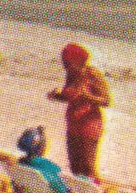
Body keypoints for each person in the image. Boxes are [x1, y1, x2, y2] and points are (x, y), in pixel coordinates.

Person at [47, 43, 110, 179]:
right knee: (75, 167)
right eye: (64, 61)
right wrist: (56, 96)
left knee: (88, 166)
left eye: (67, 61)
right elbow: (70, 96)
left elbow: (106, 100)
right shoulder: (71, 74)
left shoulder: (92, 74)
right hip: (73, 123)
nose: (64, 64)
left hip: (89, 124)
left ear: (77, 60)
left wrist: (87, 97)